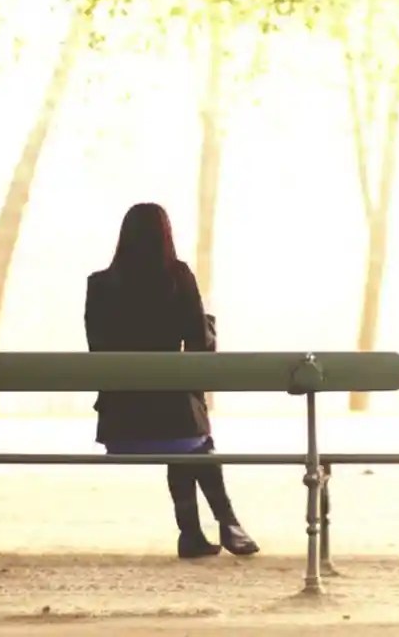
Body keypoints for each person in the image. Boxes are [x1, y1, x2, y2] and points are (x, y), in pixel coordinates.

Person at [84, 202, 259, 559]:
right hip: (175, 425)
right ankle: (226, 523)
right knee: (193, 440)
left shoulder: (99, 284)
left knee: (185, 433)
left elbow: (97, 348)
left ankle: (194, 534)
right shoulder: (178, 277)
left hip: (121, 428)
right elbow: (200, 346)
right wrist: (208, 324)